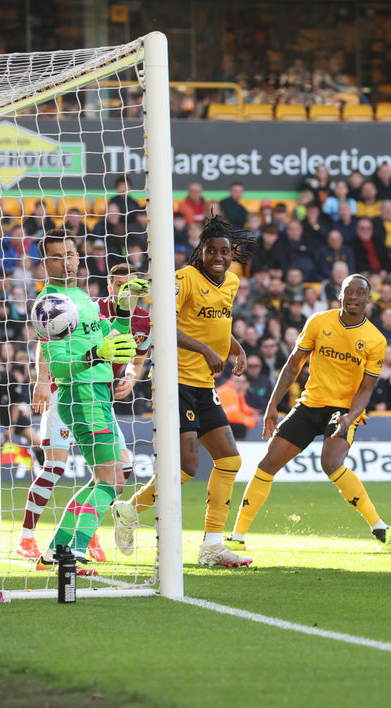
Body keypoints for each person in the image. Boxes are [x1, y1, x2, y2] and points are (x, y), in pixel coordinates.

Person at [115, 215, 255, 568]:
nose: (219, 257)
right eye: (212, 251)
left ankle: (212, 545)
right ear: (201, 252)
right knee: (188, 467)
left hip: (204, 384)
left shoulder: (232, 282)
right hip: (175, 381)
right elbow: (163, 323)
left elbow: (216, 321)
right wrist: (205, 350)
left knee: (230, 460)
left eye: (224, 251)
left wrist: (235, 347)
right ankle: (131, 510)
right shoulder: (184, 279)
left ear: (232, 254)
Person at [227, 274, 391, 551]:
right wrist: (272, 405)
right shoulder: (319, 321)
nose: (353, 297)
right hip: (310, 404)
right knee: (268, 462)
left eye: (359, 293)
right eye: (348, 291)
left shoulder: (375, 340)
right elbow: (293, 365)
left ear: (368, 299)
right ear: (340, 295)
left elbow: (366, 390)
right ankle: (237, 537)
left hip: (342, 409)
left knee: (331, 463)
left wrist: (351, 416)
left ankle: (379, 527)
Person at [29, 231, 145, 575]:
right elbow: (59, 367)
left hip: (97, 395)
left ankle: (56, 551)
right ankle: (73, 553)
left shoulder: (80, 295)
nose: (66, 261)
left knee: (106, 480)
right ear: (45, 263)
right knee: (111, 481)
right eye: (57, 256)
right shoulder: (50, 303)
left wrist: (124, 308)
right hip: (81, 396)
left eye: (70, 254)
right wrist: (96, 354)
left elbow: (112, 336)